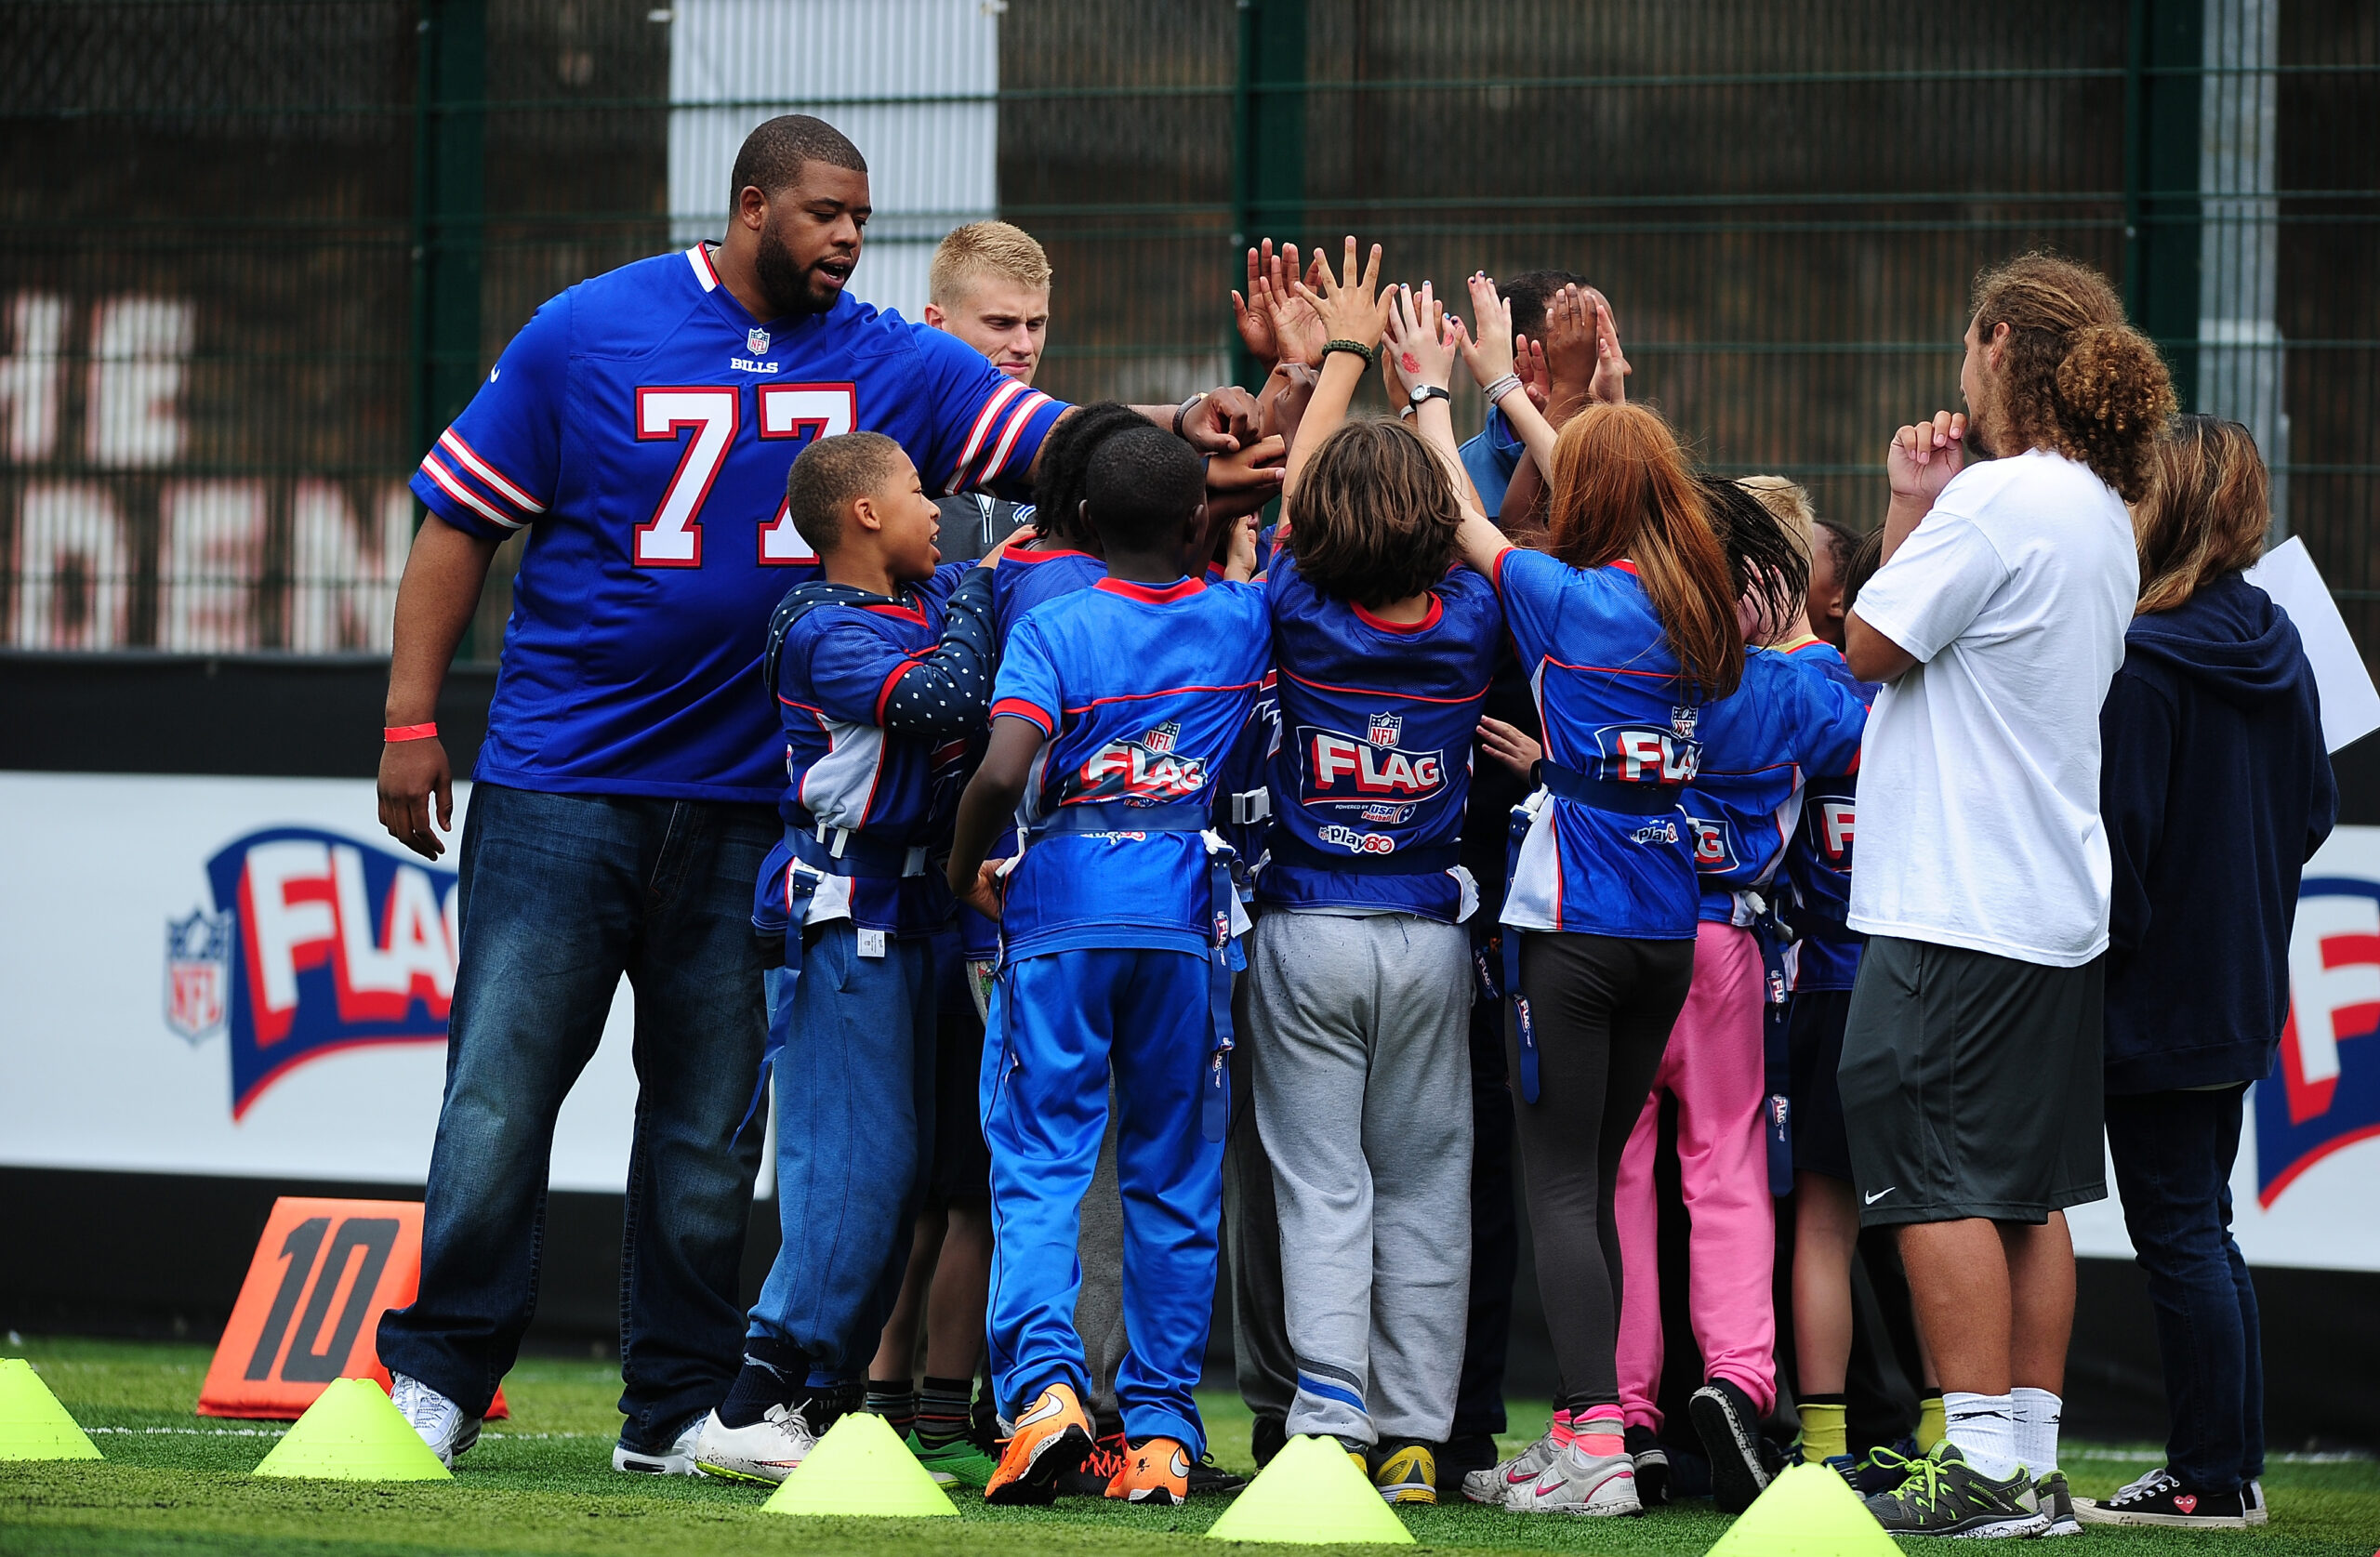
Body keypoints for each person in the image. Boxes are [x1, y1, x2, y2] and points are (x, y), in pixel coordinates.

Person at [372, 113, 1073, 1476]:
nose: (849, 239)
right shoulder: (589, 329)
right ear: (752, 206)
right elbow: (461, 520)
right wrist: (409, 718)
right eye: (825, 214)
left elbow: (1060, 443)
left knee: (707, 1124)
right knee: (501, 1093)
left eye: (860, 217)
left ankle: (675, 1408)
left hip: (756, 805)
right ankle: (439, 1373)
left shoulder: (892, 355)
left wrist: (1213, 427)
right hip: (564, 782)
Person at [1839, 252, 2176, 1537]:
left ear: (1996, 343)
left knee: (1932, 1176)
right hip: (2050, 902)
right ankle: (2030, 1464)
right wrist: (1926, 505)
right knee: (2026, 1192)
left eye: (1969, 345)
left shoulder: (1996, 498)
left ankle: (1981, 1463)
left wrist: (1912, 503)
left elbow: (1868, 643)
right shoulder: (2100, 509)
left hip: (1955, 900)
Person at [1418, 270, 1746, 1519]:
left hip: (1572, 927)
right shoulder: (1698, 600)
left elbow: (1461, 516)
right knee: (1593, 1182)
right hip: (1667, 926)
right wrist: (1521, 388)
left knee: (1558, 1185)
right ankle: (1579, 1429)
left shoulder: (1566, 597)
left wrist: (1437, 395)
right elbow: (1627, 497)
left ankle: (1596, 1443)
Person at [693, 432, 1033, 1482]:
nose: (939, 510)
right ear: (865, 514)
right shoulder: (818, 625)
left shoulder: (919, 602)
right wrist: (985, 587)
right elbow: (947, 699)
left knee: (910, 1174)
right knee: (854, 1168)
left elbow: (978, 614)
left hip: (923, 908)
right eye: (918, 492)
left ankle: (818, 1400)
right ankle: (753, 1402)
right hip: (846, 915)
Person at [945, 424, 1268, 1507]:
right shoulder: (1240, 617)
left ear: (1080, 522)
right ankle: (1163, 1434)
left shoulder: (1055, 622)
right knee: (1172, 1176)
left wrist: (961, 862)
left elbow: (1000, 773)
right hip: (1182, 915)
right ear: (1197, 521)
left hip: (1061, 911)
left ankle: (1045, 1396)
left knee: (1041, 1164)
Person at [1243, 273, 1501, 1505]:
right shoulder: (1472, 618)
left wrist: (1340, 357)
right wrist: (1433, 396)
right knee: (1426, 1186)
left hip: (1307, 927)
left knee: (1322, 1182)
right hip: (1429, 936)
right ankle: (1411, 1435)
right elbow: (1469, 524)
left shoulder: (1295, 602)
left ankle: (1331, 1417)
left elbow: (1298, 502)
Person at [2077, 416, 2334, 1530]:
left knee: (2179, 1231)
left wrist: (2112, 954)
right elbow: (2314, 811)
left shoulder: (2141, 659)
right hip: (2238, 990)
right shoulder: (2281, 640)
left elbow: (2117, 851)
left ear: (2165, 503)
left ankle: (2209, 1478)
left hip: (2153, 1000)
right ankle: (2224, 1464)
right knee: (2203, 1224)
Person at [1609, 478, 1869, 1514]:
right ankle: (1739, 1380)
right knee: (1726, 1178)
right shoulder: (1797, 690)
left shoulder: (1611, 653)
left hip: (1619, 929)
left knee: (1619, 1180)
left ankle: (1623, 1414)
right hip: (1728, 947)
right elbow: (1867, 717)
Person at [860, 217, 1055, 1490]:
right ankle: (868, 1389)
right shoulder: (873, 477)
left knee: (979, 1161)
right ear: (939, 329)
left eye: (1036, 326)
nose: (1022, 347)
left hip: (1009, 870)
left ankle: (949, 1395)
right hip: (890, 861)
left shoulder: (1049, 484)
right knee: (891, 1151)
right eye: (999, 326)